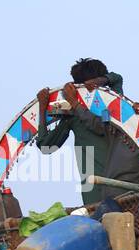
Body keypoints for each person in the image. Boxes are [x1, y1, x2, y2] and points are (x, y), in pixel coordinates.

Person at [35, 57, 124, 201]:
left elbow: (117, 79)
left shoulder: (113, 104)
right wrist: (43, 107)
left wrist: (43, 108)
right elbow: (47, 147)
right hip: (112, 193)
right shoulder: (115, 104)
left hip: (104, 195)